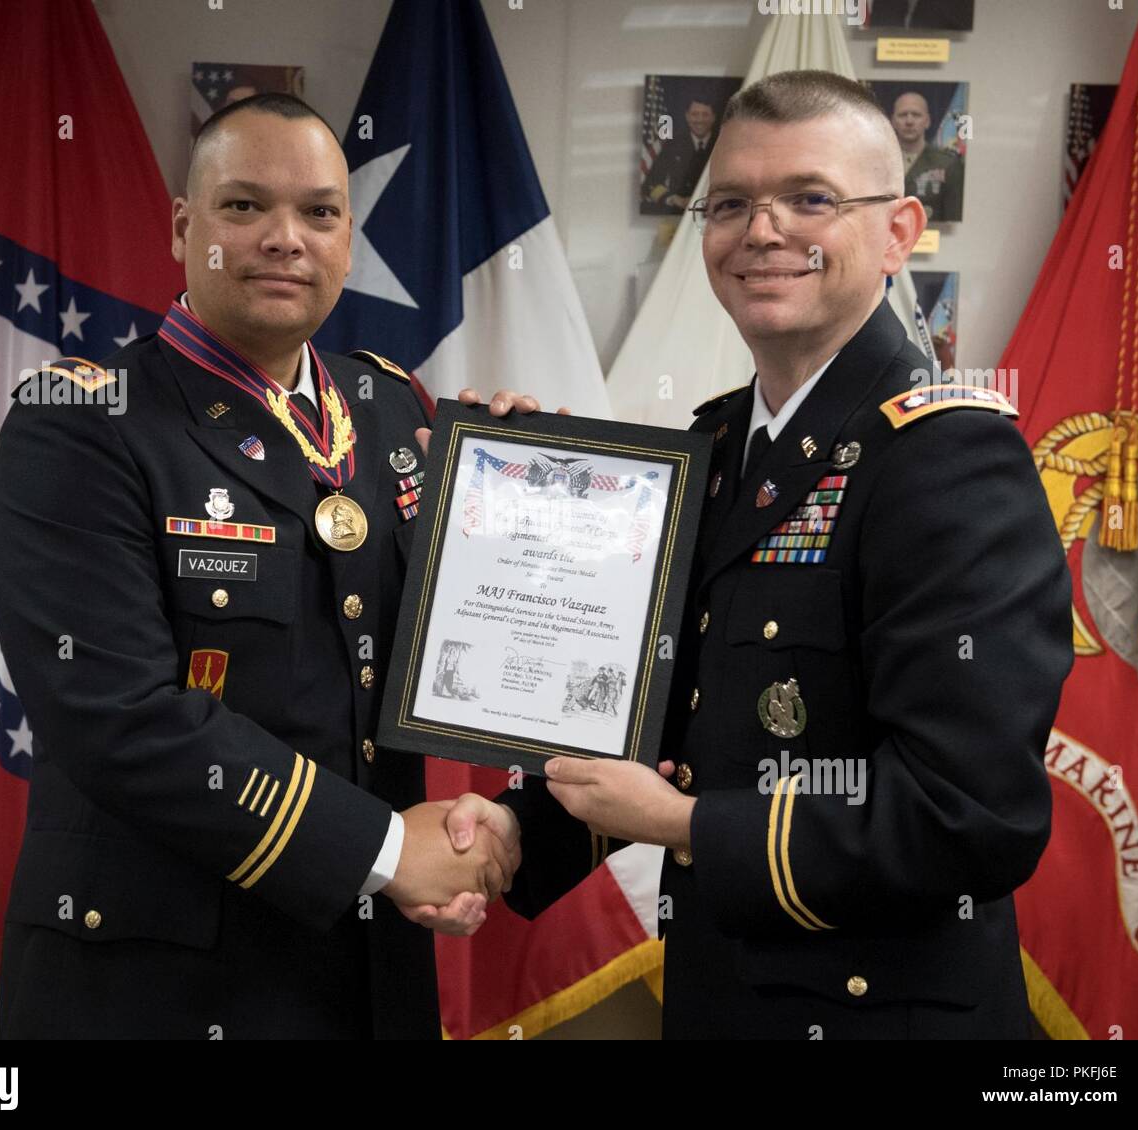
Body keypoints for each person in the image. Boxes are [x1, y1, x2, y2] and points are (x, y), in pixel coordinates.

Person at [458, 69, 1072, 1039]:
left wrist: (687, 826)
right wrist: (514, 825)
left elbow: (969, 813)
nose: (762, 230)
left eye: (810, 198)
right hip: (722, 999)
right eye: (731, 202)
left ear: (900, 230)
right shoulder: (717, 452)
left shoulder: (948, 457)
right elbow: (675, 724)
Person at [0, 92, 524, 1039]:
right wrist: (392, 848)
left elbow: (454, 651)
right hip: (161, 981)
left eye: (319, 211)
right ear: (186, 229)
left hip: (368, 968)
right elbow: (119, 715)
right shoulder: (80, 419)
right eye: (244, 207)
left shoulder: (394, 410)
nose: (286, 237)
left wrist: (529, 501)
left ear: (348, 239)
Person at [891, 91, 964, 223]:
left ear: (927, 121)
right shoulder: (880, 163)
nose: (909, 121)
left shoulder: (948, 164)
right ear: (893, 121)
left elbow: (953, 222)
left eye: (916, 115)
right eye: (902, 115)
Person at [643, 97, 719, 213]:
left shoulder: (723, 145)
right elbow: (649, 185)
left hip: (714, 215)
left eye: (705, 114)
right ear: (687, 117)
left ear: (713, 117)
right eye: (695, 114)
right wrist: (673, 199)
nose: (700, 120)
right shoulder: (672, 145)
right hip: (677, 214)